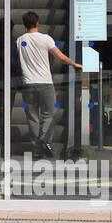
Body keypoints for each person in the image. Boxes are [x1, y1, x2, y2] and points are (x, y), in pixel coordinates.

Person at [16, 11, 82, 159]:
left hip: (28, 84)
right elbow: (61, 57)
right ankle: (45, 140)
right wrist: (75, 64)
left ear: (24, 24)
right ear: (37, 22)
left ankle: (37, 150)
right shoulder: (45, 39)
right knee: (49, 114)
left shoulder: (20, 41)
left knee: (33, 118)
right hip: (45, 83)